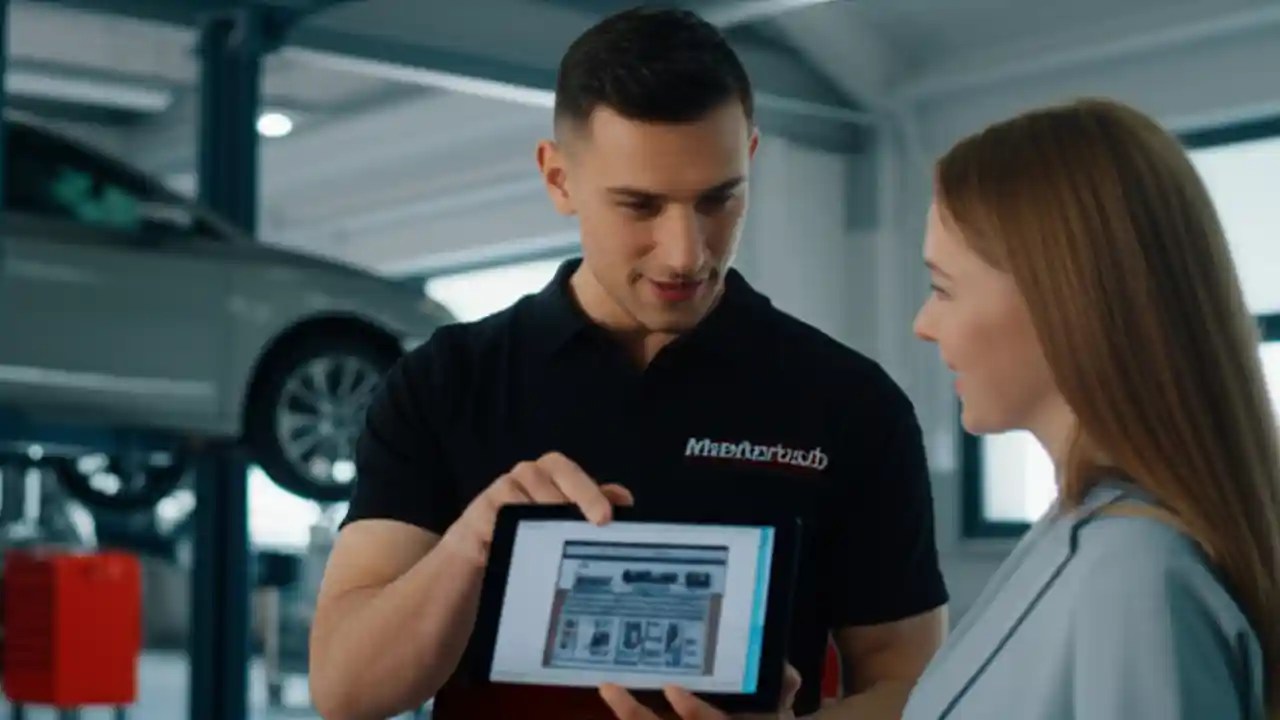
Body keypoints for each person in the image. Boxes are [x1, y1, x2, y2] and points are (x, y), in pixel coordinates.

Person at [308, 7, 949, 720]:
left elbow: (915, 687)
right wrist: (472, 544)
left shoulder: (851, 404)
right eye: (639, 206)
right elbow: (347, 691)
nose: (686, 253)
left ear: (751, 159)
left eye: (719, 199)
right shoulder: (445, 383)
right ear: (559, 179)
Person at [893, 98, 1278, 718]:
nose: (923, 324)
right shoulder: (1082, 531)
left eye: (943, 288)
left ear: (1061, 303)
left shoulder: (1131, 572)